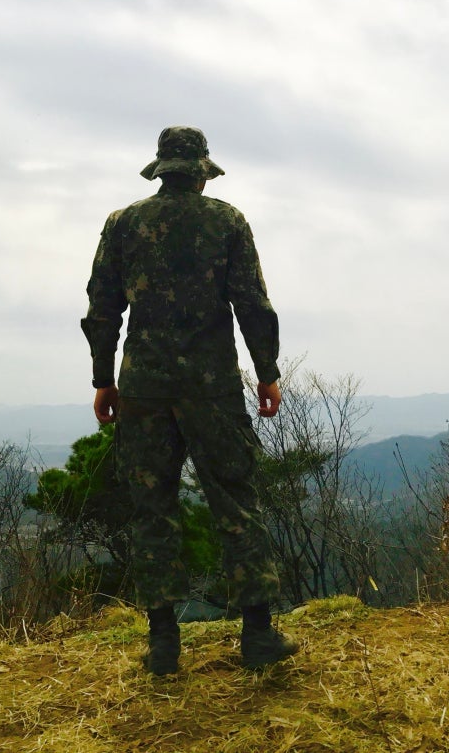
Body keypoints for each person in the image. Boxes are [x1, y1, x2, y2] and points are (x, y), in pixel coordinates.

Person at [81, 126, 298, 675]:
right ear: (201, 170)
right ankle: (257, 636)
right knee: (235, 500)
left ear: (161, 169)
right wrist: (267, 372)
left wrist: (103, 379)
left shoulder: (123, 224)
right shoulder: (227, 221)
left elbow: (102, 306)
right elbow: (251, 302)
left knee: (152, 510)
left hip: (144, 389)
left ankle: (163, 644)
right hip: (213, 387)